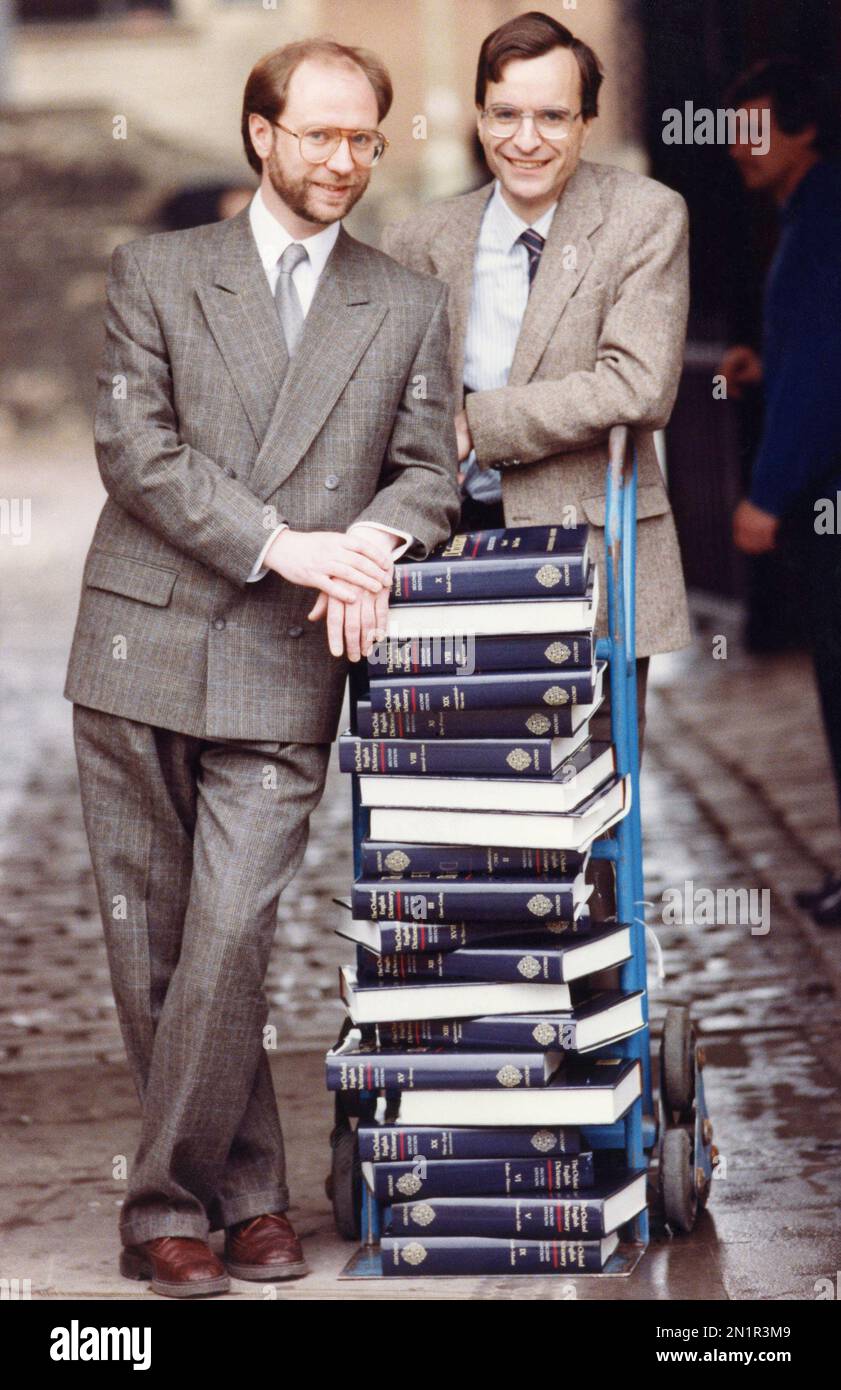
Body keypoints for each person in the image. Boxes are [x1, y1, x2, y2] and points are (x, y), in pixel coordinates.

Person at [63, 37, 460, 1298]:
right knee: (156, 950)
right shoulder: (158, 270)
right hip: (140, 640)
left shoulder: (405, 304)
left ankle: (159, 1205)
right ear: (261, 135)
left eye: (363, 139)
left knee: (232, 933)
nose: (343, 160)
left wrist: (375, 544)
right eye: (319, 134)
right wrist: (288, 545)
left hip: (285, 663)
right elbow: (135, 448)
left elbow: (429, 473)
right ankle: (245, 1201)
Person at [382, 10, 691, 914]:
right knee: (466, 804)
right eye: (505, 114)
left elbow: (637, 384)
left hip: (592, 551)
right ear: (479, 117)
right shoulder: (419, 240)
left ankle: (588, 983)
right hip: (453, 556)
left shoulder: (644, 216)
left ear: (586, 120)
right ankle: (482, 980)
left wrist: (478, 422)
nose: (526, 139)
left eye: (552, 116)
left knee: (586, 806)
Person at [720, 58, 841, 926]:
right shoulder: (810, 211)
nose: (737, 147)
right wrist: (766, 364)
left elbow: (822, 375)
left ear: (802, 130)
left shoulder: (820, 220)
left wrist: (766, 493)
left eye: (754, 129)